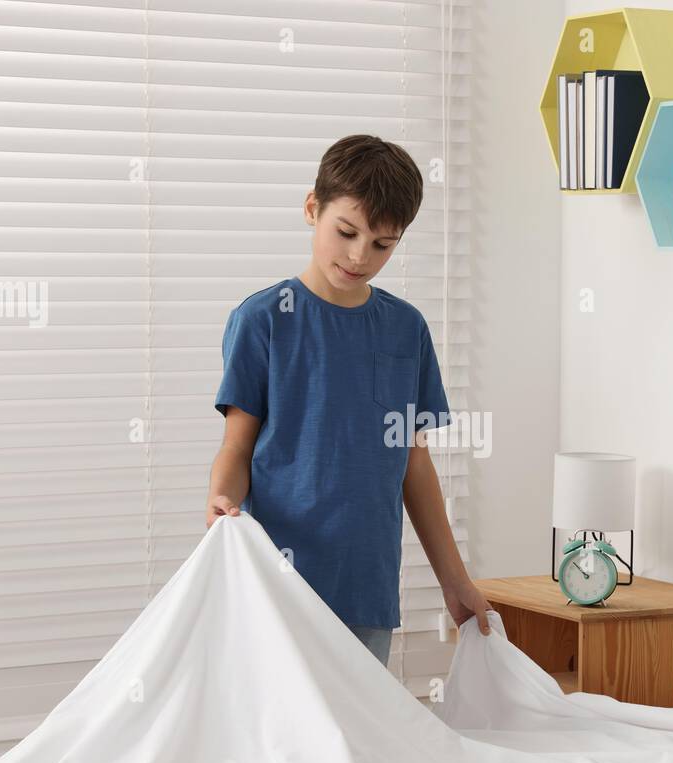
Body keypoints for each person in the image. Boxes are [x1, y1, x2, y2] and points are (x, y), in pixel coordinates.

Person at [206, 134, 491, 669]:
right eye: (346, 232)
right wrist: (221, 502)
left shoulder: (406, 329)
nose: (361, 256)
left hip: (366, 588)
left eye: (383, 244)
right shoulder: (264, 321)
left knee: (359, 747)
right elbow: (238, 447)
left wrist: (457, 583)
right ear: (312, 209)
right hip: (278, 587)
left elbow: (413, 463)